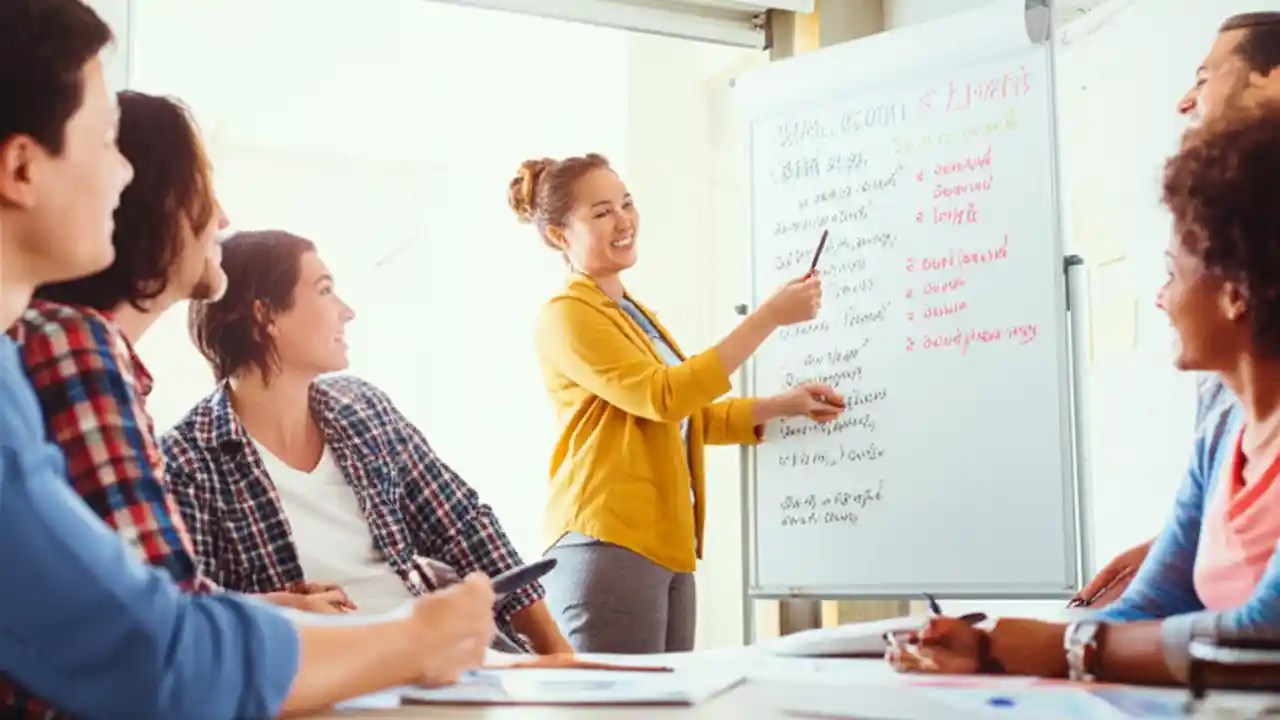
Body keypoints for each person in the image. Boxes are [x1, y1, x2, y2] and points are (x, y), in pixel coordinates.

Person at [0, 1, 494, 717]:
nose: (122, 174)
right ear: (21, 167)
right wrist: (413, 640)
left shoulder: (26, 362)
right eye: (106, 141)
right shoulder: (71, 350)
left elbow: (114, 618)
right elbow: (157, 656)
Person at [888, 105, 1280, 687]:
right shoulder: (1224, 433)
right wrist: (991, 648)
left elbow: (1264, 638)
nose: (1161, 299)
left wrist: (1068, 647)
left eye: (1171, 274)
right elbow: (1151, 604)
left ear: (1236, 294)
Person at [13, 90, 350, 619]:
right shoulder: (76, 349)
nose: (222, 219)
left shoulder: (70, 351)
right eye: (204, 190)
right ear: (149, 203)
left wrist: (268, 609)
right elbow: (158, 634)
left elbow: (136, 597)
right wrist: (410, 637)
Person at [160, 229, 572, 655]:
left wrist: (558, 655)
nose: (347, 312)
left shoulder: (363, 408)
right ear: (266, 316)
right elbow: (184, 617)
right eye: (325, 290)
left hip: (441, 663)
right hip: (328, 677)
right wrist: (283, 613)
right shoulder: (186, 462)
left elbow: (463, 527)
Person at [511, 153, 846, 653]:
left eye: (626, 203)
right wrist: (769, 318)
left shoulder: (631, 313)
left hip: (665, 542)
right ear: (560, 235)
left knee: (669, 694)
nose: (623, 220)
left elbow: (683, 412)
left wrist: (781, 405)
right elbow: (663, 397)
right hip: (609, 539)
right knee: (627, 698)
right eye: (601, 212)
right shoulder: (567, 315)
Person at [1071, 10, 1280, 609]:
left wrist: (1087, 647)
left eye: (1205, 77)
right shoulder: (1223, 430)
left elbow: (1262, 626)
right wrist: (1177, 556)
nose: (1186, 102)